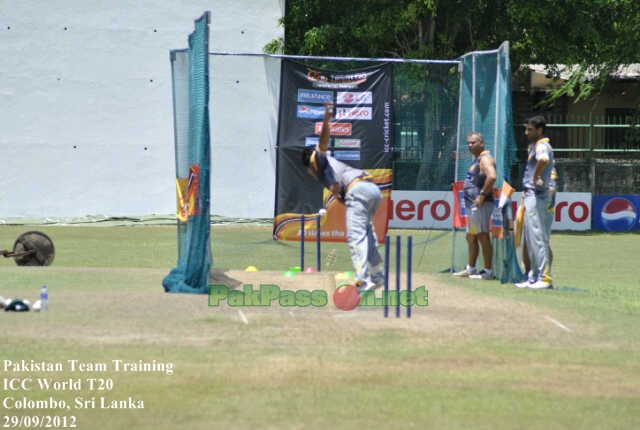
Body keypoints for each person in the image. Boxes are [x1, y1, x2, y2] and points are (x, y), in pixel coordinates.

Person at [302, 103, 384, 292]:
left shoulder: (318, 161)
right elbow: (338, 193)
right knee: (366, 233)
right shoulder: (326, 174)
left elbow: (322, 142)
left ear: (309, 165)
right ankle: (376, 273)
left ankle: (362, 280)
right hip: (372, 189)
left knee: (356, 238)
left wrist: (326, 118)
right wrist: (338, 194)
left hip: (358, 189)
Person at [515, 116, 555, 289]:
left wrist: (537, 176)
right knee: (531, 238)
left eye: (530, 129)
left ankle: (544, 278)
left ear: (539, 130)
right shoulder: (535, 146)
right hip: (532, 195)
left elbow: (543, 159)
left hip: (538, 196)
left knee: (538, 238)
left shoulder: (541, 146)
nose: (526, 132)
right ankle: (534, 276)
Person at [453, 132, 497, 280]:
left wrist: (482, 195)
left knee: (482, 236)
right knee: (471, 237)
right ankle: (470, 268)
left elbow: (492, 177)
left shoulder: (485, 158)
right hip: (471, 204)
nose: (470, 145)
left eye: (473, 143)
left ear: (482, 143)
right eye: (469, 143)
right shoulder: (476, 160)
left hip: (480, 204)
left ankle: (488, 271)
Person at [519, 166, 558, 284]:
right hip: (531, 206)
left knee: (541, 242)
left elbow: (551, 189)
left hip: (543, 208)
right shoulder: (534, 169)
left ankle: (544, 273)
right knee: (528, 241)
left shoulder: (549, 169)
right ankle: (529, 273)